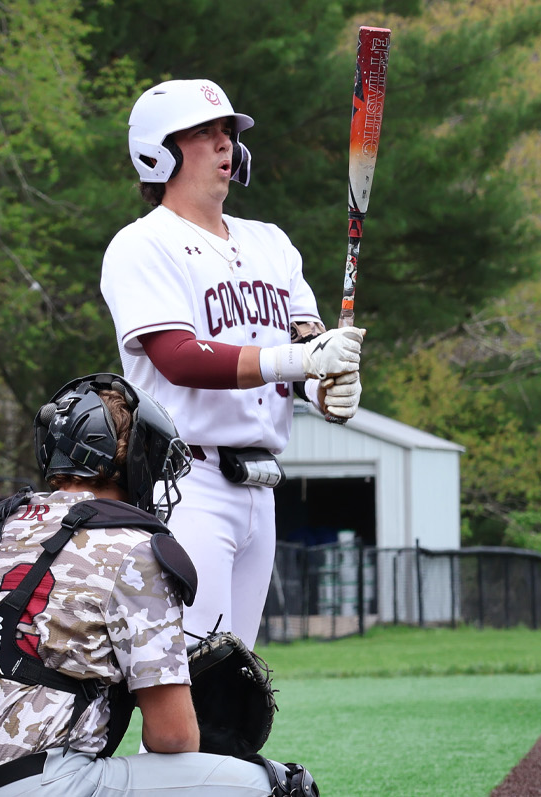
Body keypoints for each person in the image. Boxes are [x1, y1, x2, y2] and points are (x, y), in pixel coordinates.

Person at [0, 373, 311, 796]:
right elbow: (173, 737)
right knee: (283, 785)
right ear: (137, 459)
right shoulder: (135, 547)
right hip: (40, 786)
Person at [101, 78, 364, 647]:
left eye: (228, 132)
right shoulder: (143, 244)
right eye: (205, 132)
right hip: (186, 483)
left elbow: (304, 341)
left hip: (260, 485)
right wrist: (298, 360)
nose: (226, 143)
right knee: (189, 667)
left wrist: (326, 386)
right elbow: (178, 357)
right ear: (159, 151)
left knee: (237, 673)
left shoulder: (271, 242)